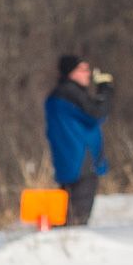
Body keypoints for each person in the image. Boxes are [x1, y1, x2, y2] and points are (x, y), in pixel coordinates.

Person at [43, 53, 113, 228]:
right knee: (76, 221)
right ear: (71, 73)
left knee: (66, 216)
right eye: (83, 69)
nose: (88, 73)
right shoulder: (70, 93)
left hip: (68, 162)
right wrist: (105, 89)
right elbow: (96, 114)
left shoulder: (58, 95)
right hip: (81, 162)